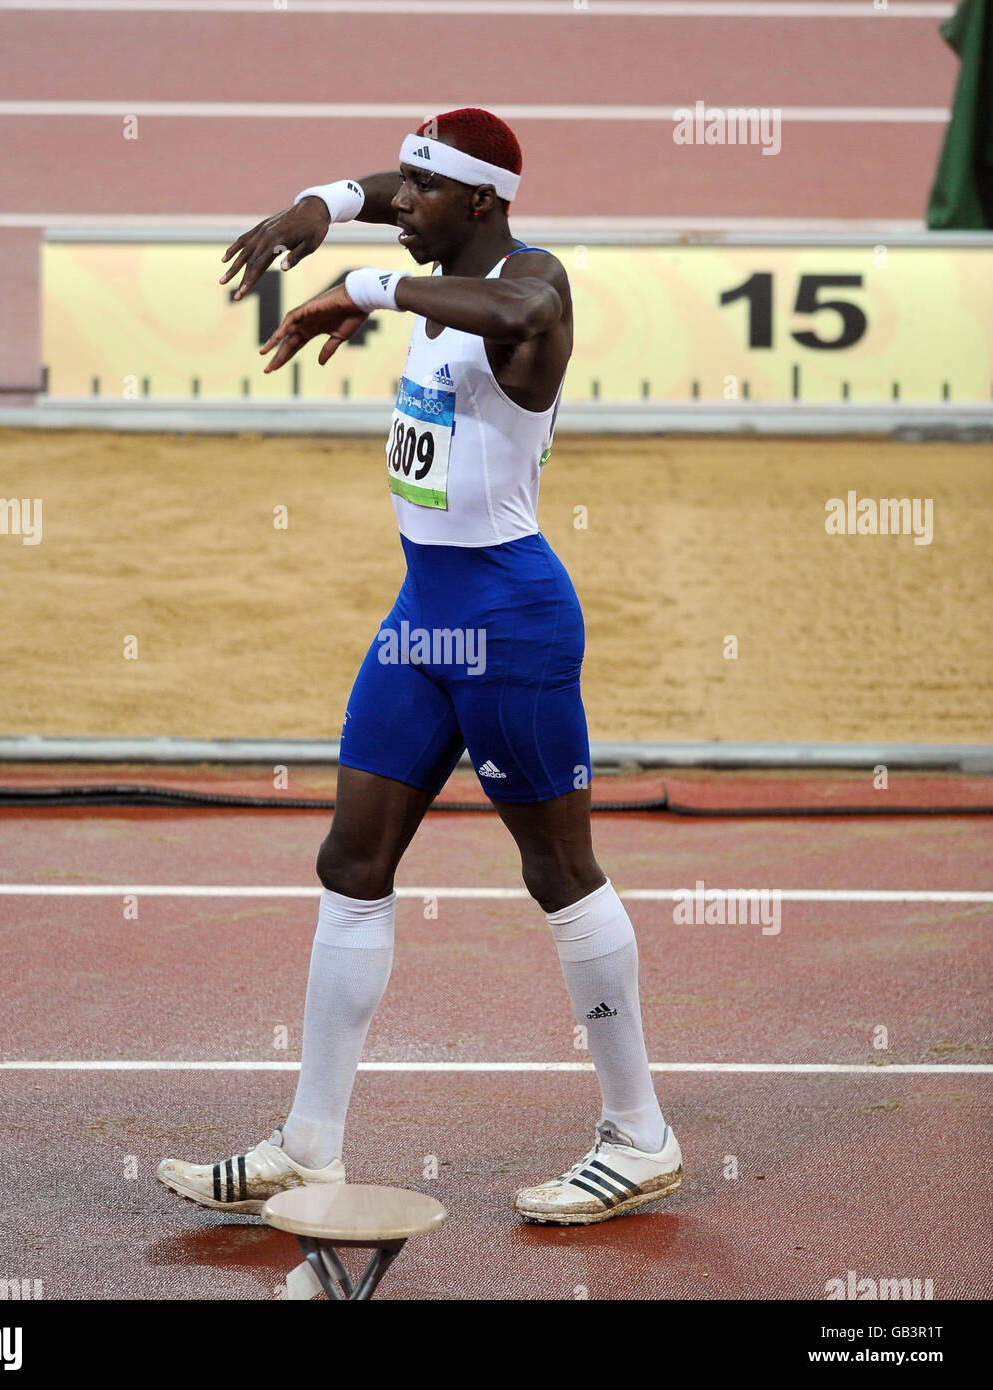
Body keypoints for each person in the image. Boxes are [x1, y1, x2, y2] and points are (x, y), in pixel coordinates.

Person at [158, 108, 682, 1225]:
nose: (402, 202)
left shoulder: (530, 287)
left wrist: (366, 290)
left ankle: (640, 1135)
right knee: (351, 859)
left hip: (511, 621)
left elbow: (519, 309)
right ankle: (309, 1143)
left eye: (422, 191)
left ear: (483, 202)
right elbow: (382, 200)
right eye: (398, 187)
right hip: (423, 618)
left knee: (558, 871)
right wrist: (323, 206)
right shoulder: (442, 250)